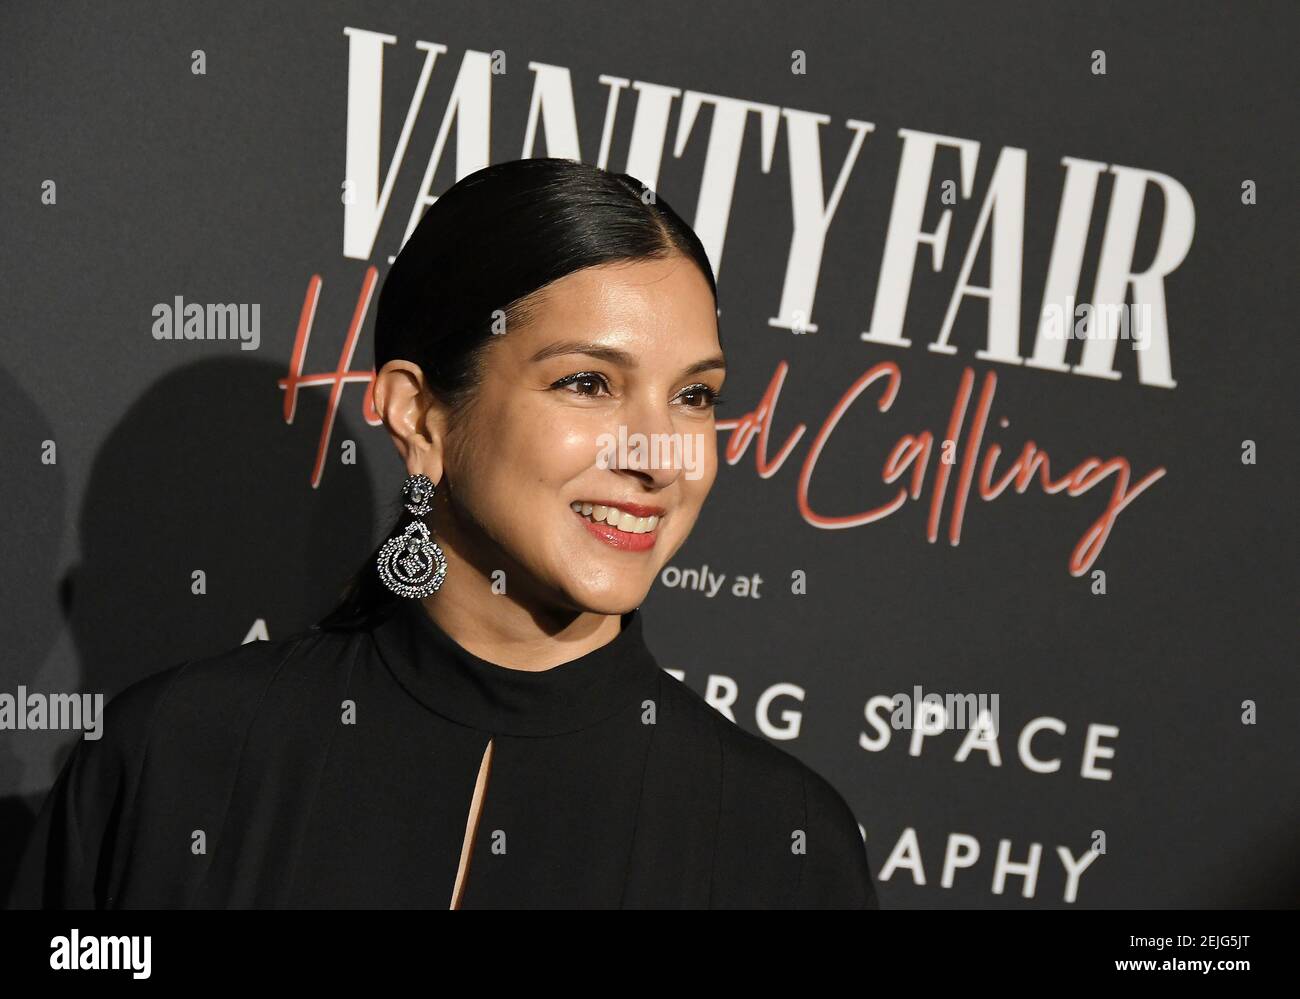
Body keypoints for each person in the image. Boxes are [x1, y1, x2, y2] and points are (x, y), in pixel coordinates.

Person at [8, 157, 880, 909]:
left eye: (694, 396)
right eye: (587, 383)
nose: (659, 456)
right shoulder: (173, 755)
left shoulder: (785, 847)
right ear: (419, 415)